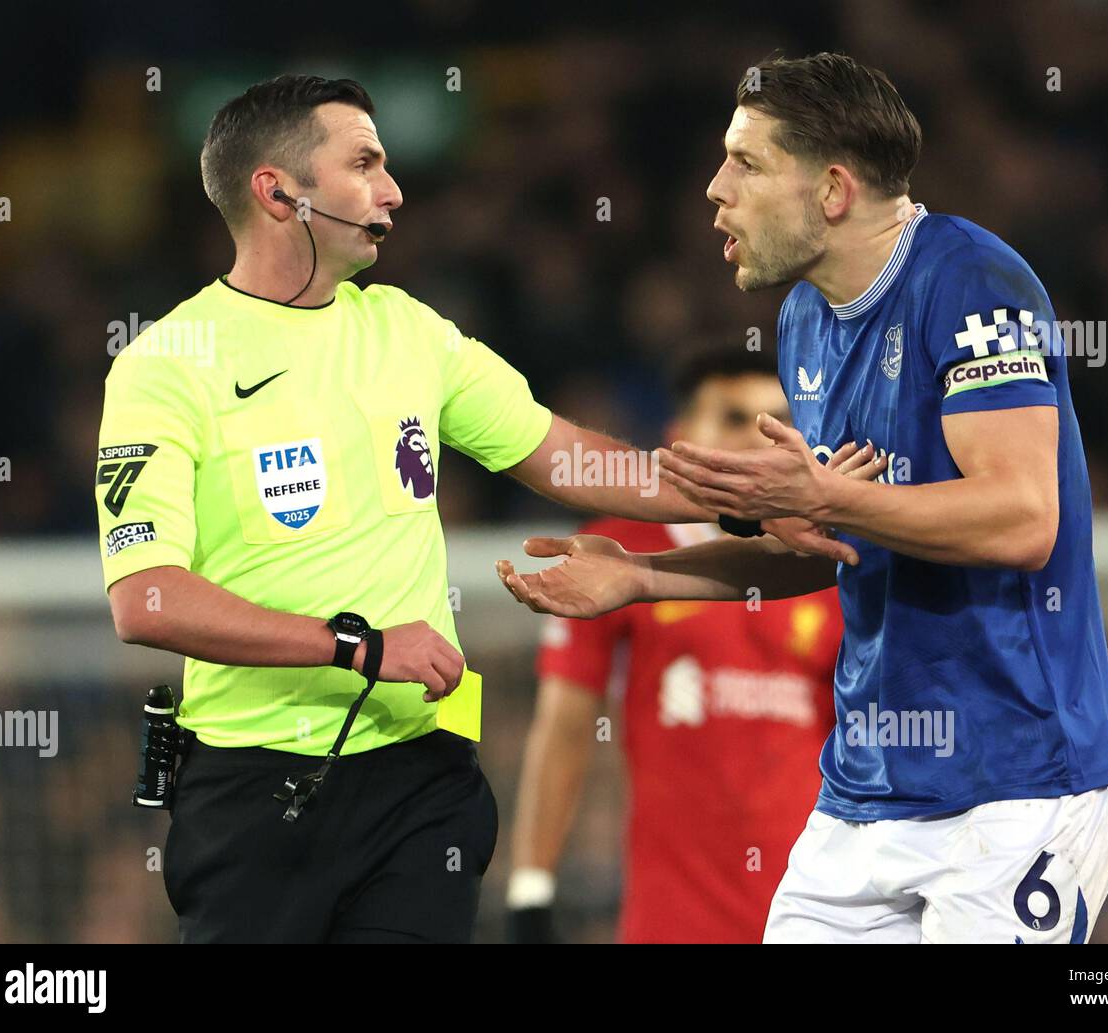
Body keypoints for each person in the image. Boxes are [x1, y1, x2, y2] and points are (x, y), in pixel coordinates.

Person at [498, 52, 1108, 944]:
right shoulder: (801, 322)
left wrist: (826, 494)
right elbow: (833, 544)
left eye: (746, 163)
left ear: (833, 190)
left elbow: (1024, 519)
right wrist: (641, 577)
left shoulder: (976, 283)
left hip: (1014, 788)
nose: (716, 189)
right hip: (861, 798)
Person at [95, 74, 717, 944]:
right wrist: (359, 647)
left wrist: (743, 500)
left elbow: (563, 456)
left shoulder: (408, 330)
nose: (392, 190)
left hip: (421, 781)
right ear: (279, 192)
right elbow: (145, 599)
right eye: (364, 163)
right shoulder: (166, 363)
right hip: (252, 789)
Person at [507, 351, 871, 943]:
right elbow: (566, 725)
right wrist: (532, 885)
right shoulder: (617, 551)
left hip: (818, 909)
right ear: (679, 442)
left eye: (777, 421)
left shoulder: (829, 561)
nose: (758, 442)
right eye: (732, 418)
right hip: (673, 919)